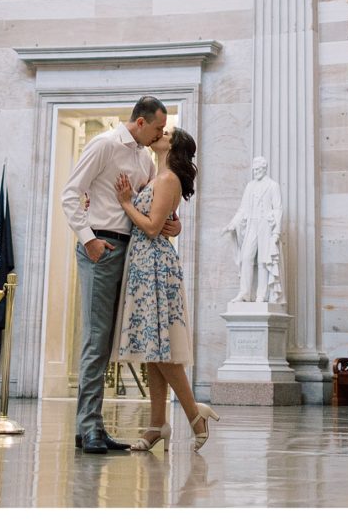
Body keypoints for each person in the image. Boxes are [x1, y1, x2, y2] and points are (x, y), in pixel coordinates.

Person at [60, 96, 180, 455]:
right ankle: (89, 427)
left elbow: (150, 203)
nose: (161, 133)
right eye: (158, 127)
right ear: (140, 122)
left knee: (111, 340)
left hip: (132, 251)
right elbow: (70, 194)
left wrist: (173, 224)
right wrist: (89, 240)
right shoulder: (104, 145)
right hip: (101, 246)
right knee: (96, 338)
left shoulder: (145, 158)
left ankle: (93, 426)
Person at [114, 126, 218, 452]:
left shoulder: (169, 178)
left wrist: (126, 202)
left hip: (155, 265)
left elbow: (151, 227)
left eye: (167, 132)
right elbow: (166, 221)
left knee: (160, 348)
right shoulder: (156, 175)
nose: (161, 133)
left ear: (174, 146)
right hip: (144, 263)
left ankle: (193, 414)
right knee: (152, 347)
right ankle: (157, 424)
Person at [223, 156, 283, 303]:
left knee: (263, 260)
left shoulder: (273, 185)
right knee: (246, 257)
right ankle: (244, 293)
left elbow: (278, 209)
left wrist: (276, 232)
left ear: (264, 169)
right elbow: (242, 209)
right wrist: (232, 224)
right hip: (252, 224)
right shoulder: (250, 186)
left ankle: (261, 295)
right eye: (254, 170)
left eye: (257, 169)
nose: (255, 172)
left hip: (265, 225)